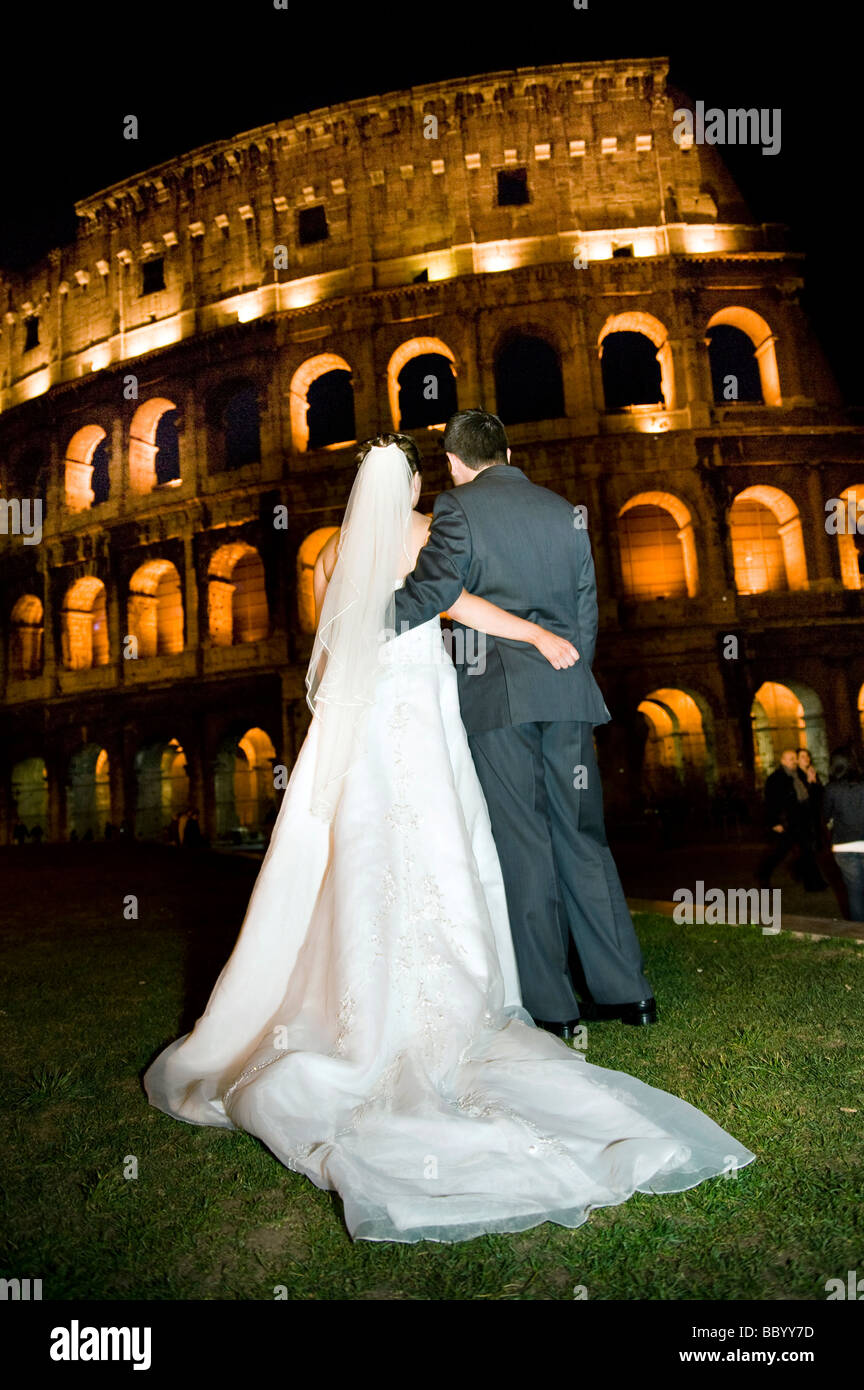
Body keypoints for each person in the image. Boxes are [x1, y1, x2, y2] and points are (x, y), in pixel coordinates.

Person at [144, 433, 754, 1244]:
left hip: (360, 724)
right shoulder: (431, 531)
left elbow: (327, 641)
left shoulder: (333, 555)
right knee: (444, 848)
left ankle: (347, 1008)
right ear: (416, 484)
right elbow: (457, 603)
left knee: (357, 859)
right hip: (422, 717)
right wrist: (539, 637)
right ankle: (473, 1000)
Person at [393, 408, 654, 1032]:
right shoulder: (566, 509)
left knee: (523, 844)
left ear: (453, 464)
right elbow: (587, 612)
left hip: (498, 699)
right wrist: (566, 675)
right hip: (566, 691)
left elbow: (434, 589)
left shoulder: (457, 509)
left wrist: (366, 623)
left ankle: (554, 1007)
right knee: (584, 838)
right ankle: (628, 992)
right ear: (508, 454)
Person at [757, 748, 827, 891]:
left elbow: (808, 799)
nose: (795, 761)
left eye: (795, 758)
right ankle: (763, 873)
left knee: (807, 851)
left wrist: (812, 783)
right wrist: (774, 822)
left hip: (801, 821)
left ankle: (813, 883)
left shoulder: (799, 775)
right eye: (791, 759)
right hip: (787, 823)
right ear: (782, 761)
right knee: (779, 852)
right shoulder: (776, 778)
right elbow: (771, 802)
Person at [822, 747, 864, 921]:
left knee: (854, 892)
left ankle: (858, 936)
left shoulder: (831, 789)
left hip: (844, 845)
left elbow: (825, 815)